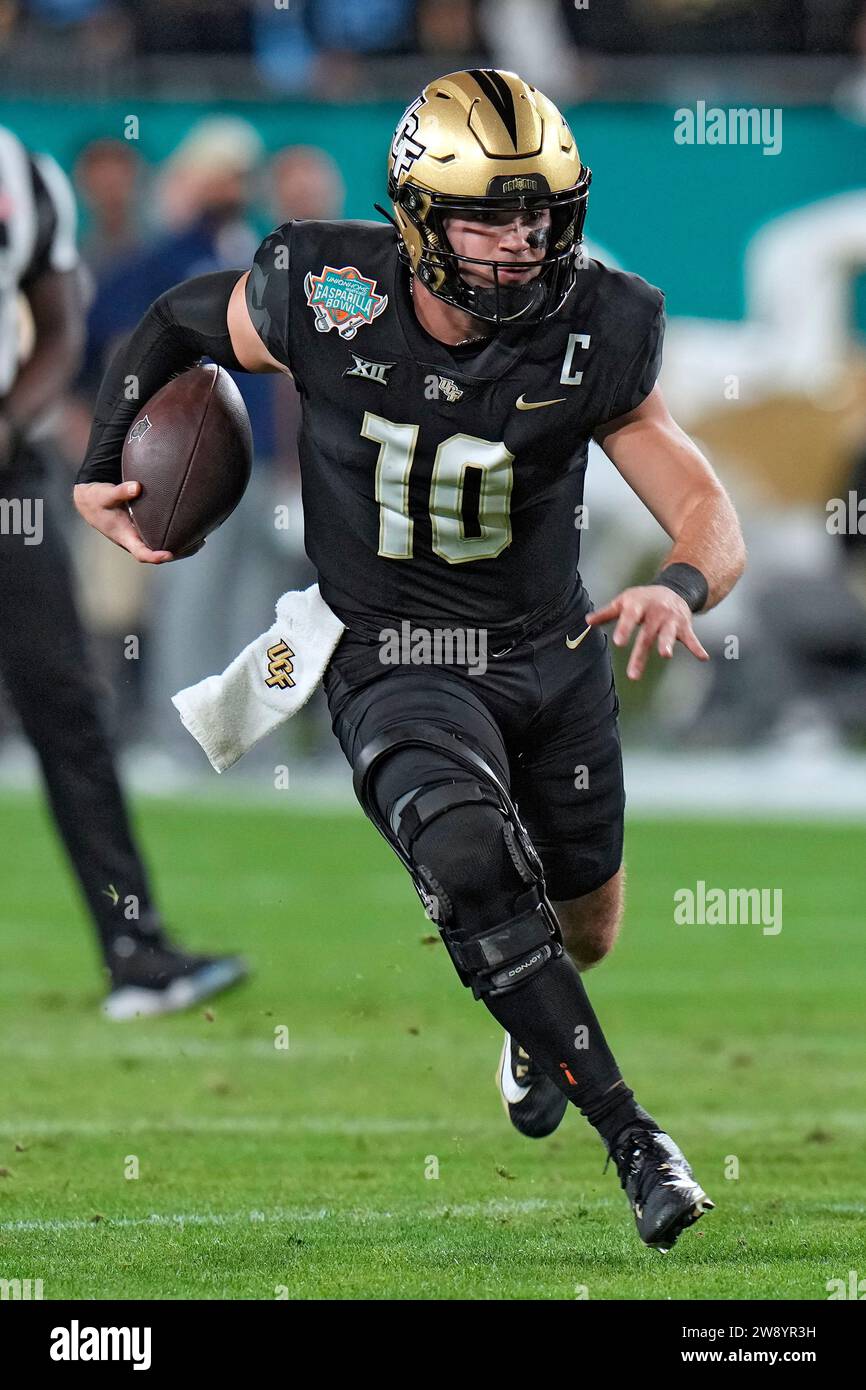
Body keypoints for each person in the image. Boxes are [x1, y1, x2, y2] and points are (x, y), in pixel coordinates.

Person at [73, 70, 745, 1249]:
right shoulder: (326, 291)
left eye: (537, 212)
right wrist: (106, 453)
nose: (519, 240)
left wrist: (677, 582)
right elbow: (182, 317)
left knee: (582, 929)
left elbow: (705, 509)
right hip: (386, 651)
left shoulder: (600, 321)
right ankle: (637, 1140)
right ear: (417, 221)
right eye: (489, 213)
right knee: (470, 859)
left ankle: (530, 1016)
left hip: (546, 650)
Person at [0, 124, 246, 1019]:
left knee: (67, 703)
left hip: (4, 481)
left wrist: (7, 423)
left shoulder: (20, 174)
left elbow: (56, 325)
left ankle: (136, 948)